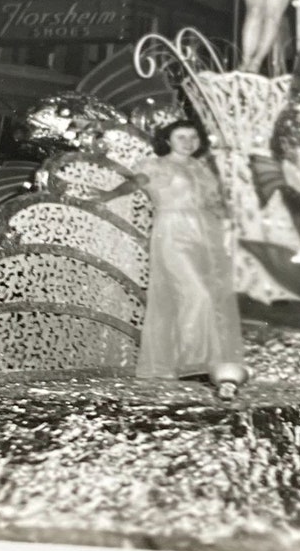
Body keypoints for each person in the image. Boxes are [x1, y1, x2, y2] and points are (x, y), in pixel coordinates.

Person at [94, 119, 244, 378]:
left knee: (210, 296)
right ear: (167, 140)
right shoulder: (156, 165)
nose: (188, 143)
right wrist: (110, 194)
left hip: (207, 235)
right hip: (173, 234)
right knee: (197, 294)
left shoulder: (202, 168)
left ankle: (199, 362)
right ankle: (190, 361)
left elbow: (215, 203)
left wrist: (232, 226)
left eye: (193, 138)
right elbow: (135, 182)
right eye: (181, 137)